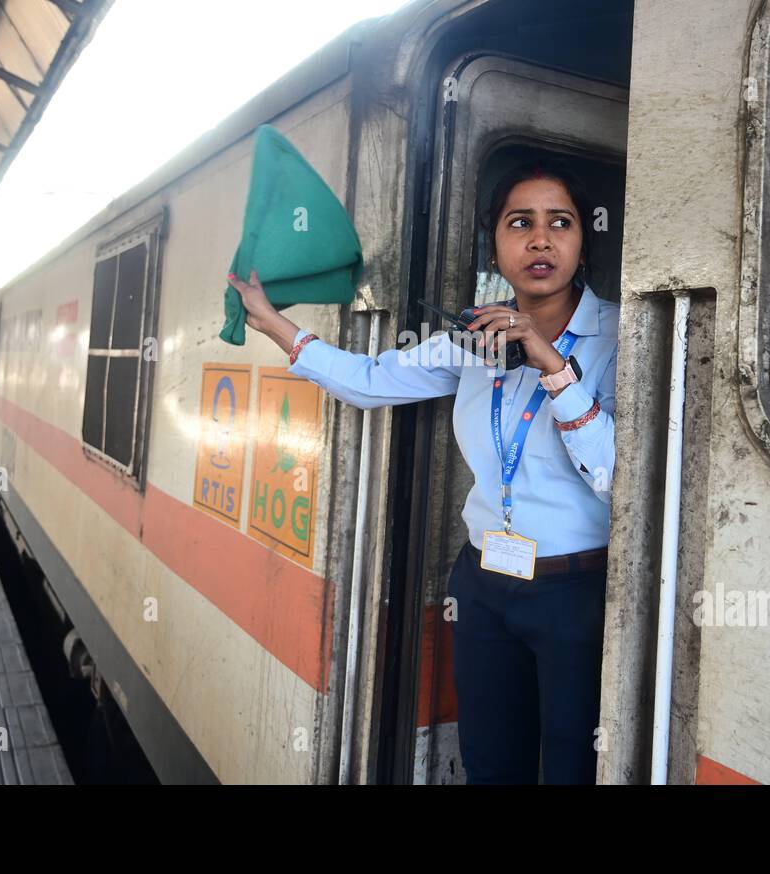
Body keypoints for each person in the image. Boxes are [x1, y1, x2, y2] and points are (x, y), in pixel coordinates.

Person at [228, 159, 618, 784]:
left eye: (560, 223)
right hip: (485, 587)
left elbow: (617, 474)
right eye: (520, 223)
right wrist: (274, 323)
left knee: (573, 764)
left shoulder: (621, 337)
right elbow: (372, 380)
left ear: (582, 241)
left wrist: (551, 365)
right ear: (496, 241)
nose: (540, 239)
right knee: (491, 761)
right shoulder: (476, 337)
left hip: (575, 594)